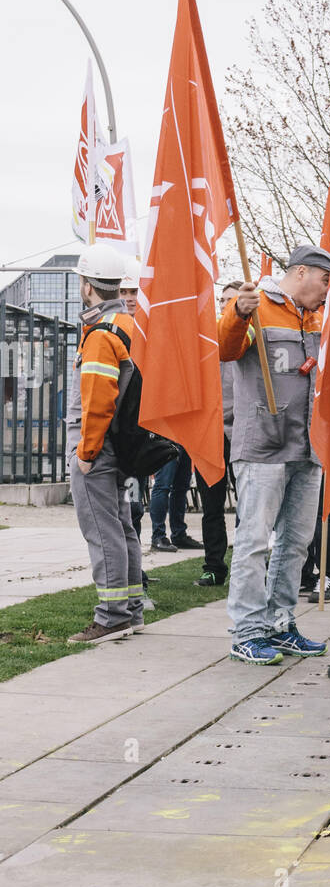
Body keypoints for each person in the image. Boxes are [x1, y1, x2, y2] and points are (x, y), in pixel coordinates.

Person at [219, 246, 330, 664]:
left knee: (296, 542)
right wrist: (238, 313)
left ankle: (280, 622)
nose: (327, 290)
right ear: (301, 272)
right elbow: (226, 349)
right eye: (324, 280)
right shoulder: (256, 307)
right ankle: (246, 631)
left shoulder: (319, 318)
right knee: (254, 540)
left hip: (307, 445)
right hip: (263, 444)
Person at [66, 243, 144, 644]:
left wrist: (86, 453)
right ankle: (130, 608)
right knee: (121, 526)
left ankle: (111, 615)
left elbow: (97, 401)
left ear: (87, 286)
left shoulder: (101, 334)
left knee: (101, 528)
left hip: (98, 446)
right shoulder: (130, 325)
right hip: (123, 445)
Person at [194, 281, 240, 588]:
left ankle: (247, 565)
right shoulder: (207, 339)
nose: (224, 305)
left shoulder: (247, 337)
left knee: (247, 506)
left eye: (230, 300)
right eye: (221, 300)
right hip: (209, 434)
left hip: (240, 433)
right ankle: (214, 566)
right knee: (211, 505)